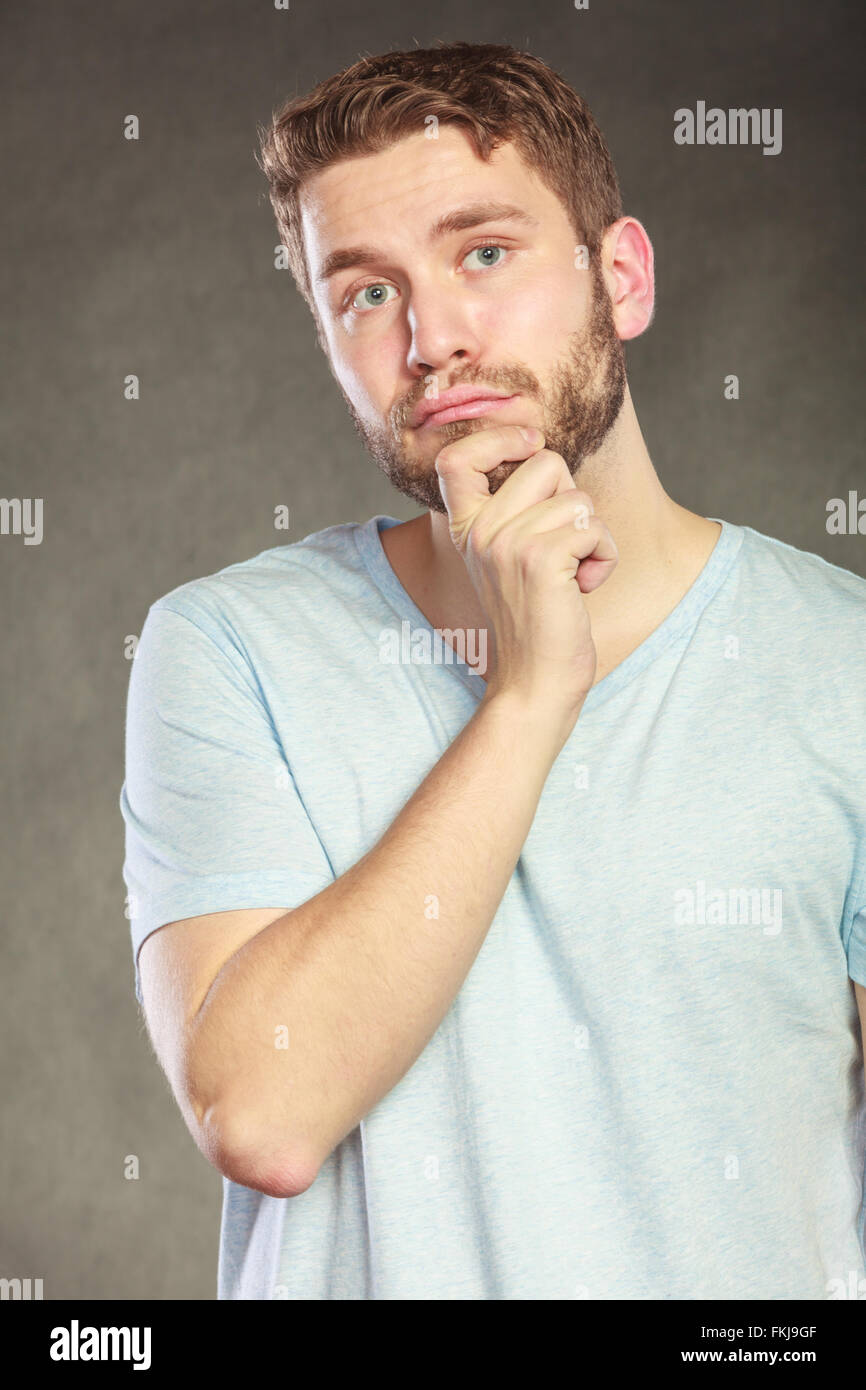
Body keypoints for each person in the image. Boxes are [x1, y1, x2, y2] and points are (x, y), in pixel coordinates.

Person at [120, 41, 866, 1300]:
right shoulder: (224, 649)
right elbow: (262, 1111)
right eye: (362, 293)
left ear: (618, 278)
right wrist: (528, 698)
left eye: (483, 254)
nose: (431, 338)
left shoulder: (839, 660)